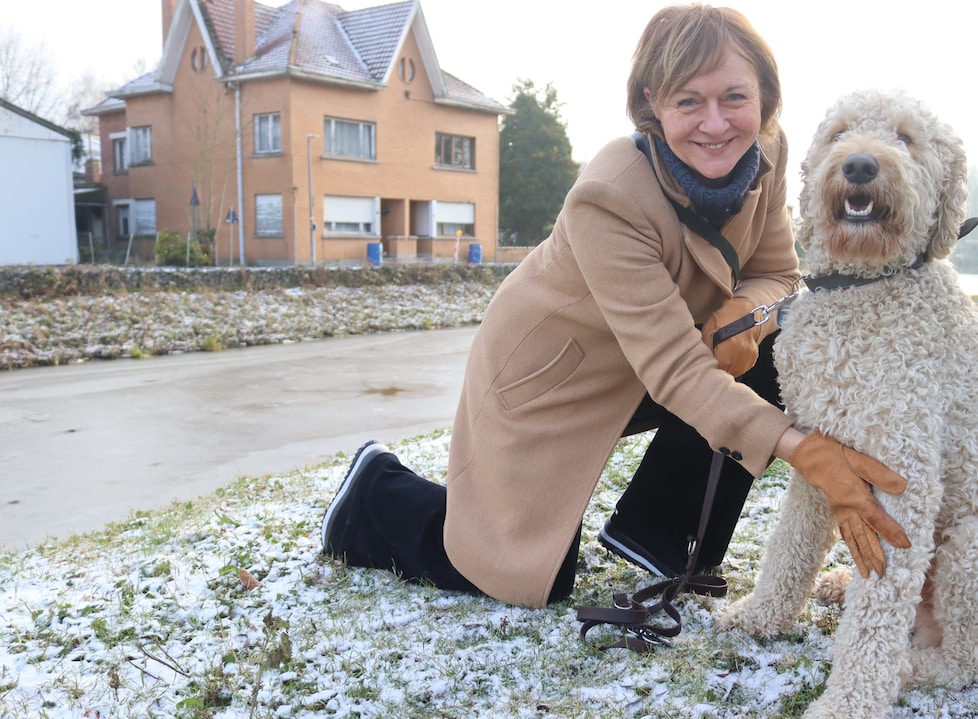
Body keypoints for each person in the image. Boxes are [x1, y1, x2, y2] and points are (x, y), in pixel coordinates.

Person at [320, 3, 910, 609]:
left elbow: (778, 274)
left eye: (734, 97)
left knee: (785, 339)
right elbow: (679, 372)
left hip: (652, 356)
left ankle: (662, 538)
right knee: (524, 574)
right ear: (653, 103)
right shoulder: (608, 198)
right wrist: (807, 451)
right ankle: (374, 495)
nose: (715, 124)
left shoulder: (769, 150)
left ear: (765, 97)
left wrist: (744, 313)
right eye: (688, 102)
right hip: (551, 376)